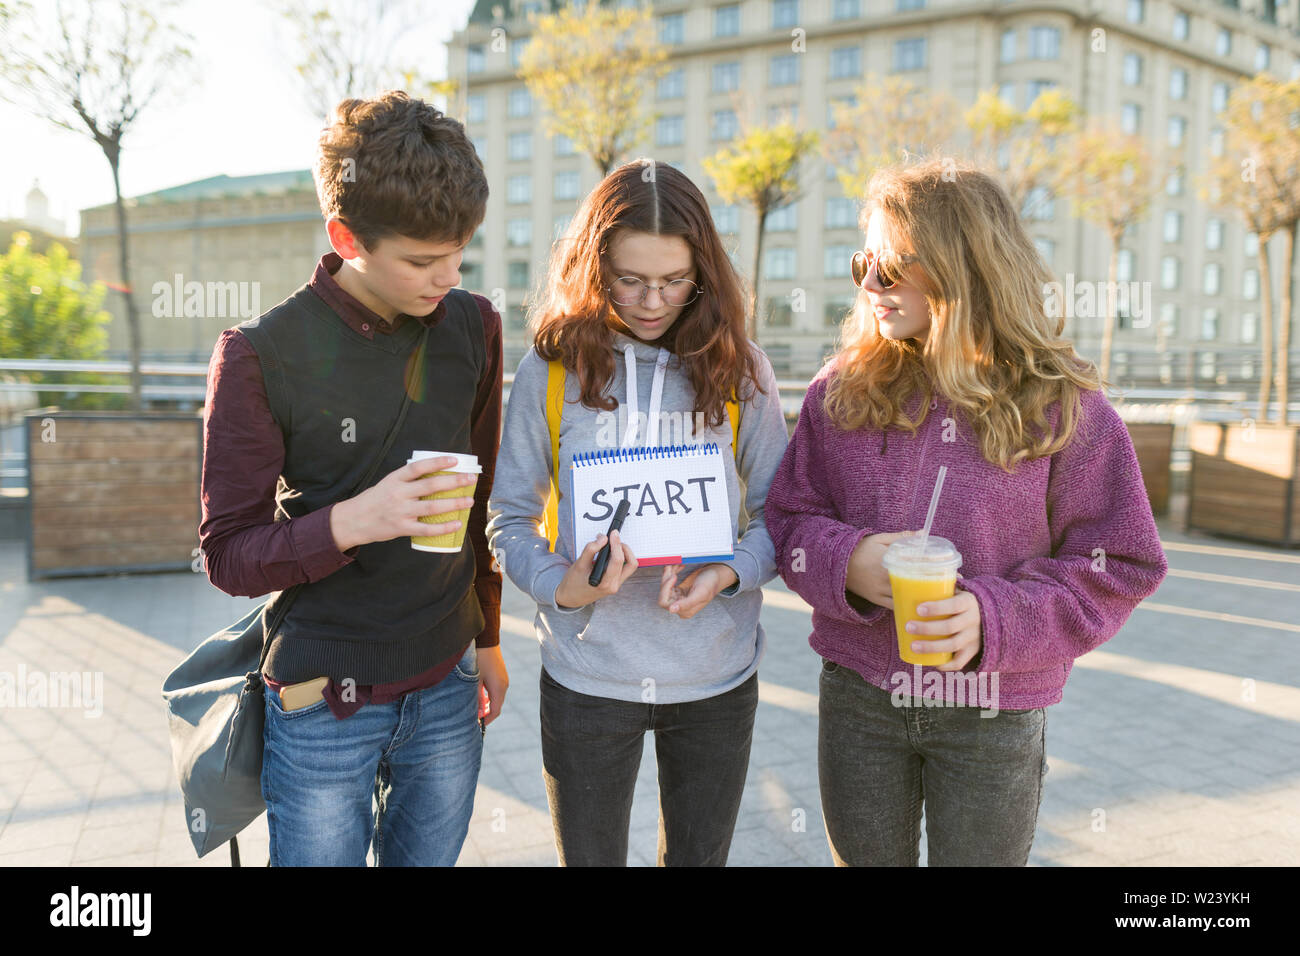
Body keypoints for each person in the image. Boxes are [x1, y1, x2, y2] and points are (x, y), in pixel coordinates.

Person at [764, 156, 1168, 866]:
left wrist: (994, 617)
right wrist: (844, 561)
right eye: (864, 263)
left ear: (963, 268)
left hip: (996, 707)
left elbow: (1124, 560)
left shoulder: (1063, 407)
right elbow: (790, 514)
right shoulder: (841, 390)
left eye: (891, 269)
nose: (868, 285)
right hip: (860, 698)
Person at [199, 91, 507, 866]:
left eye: (459, 253)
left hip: (447, 681)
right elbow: (229, 555)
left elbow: (481, 511)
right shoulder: (259, 353)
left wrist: (490, 640)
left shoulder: (475, 325)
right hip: (320, 700)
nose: (448, 276)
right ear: (346, 237)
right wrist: (353, 522)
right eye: (421, 260)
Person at [487, 159, 789, 866]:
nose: (653, 300)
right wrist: (562, 587)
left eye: (675, 280)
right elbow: (507, 516)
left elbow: (782, 514)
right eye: (629, 279)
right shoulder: (550, 370)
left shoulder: (741, 368)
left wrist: (731, 572)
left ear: (703, 273)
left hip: (716, 675)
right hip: (586, 677)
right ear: (594, 268)